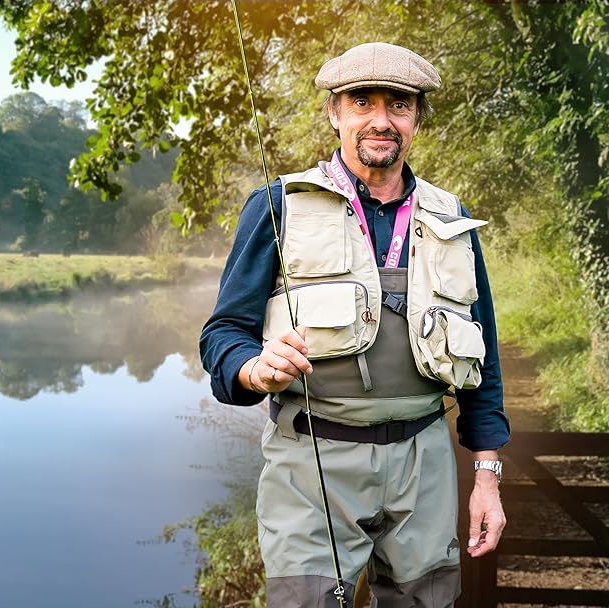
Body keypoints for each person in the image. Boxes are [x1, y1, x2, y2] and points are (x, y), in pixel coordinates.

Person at [199, 42, 510, 607]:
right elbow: (221, 335)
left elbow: (483, 356)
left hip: (426, 463)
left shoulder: (453, 217)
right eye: (362, 101)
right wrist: (252, 367)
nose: (381, 120)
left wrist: (486, 477)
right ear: (335, 113)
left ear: (417, 118)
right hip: (312, 459)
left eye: (399, 104)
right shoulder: (278, 204)